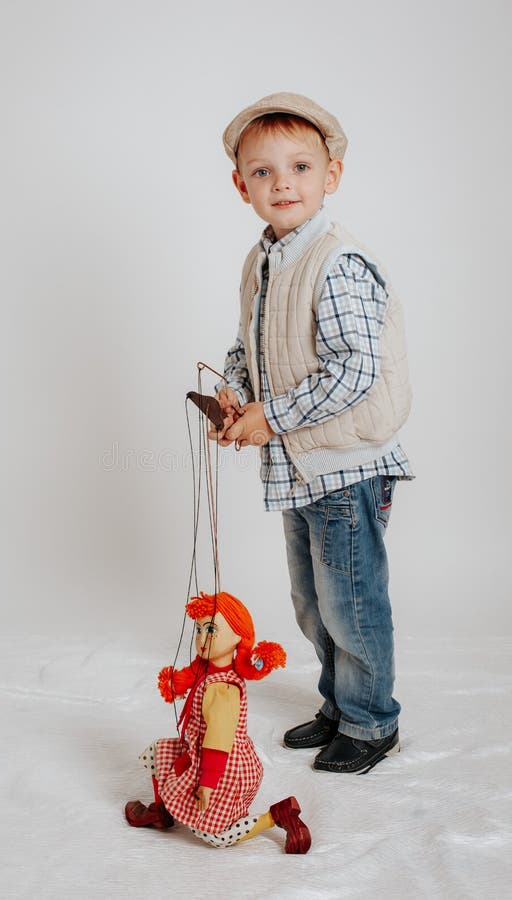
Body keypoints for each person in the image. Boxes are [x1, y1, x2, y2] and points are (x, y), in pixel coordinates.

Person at [212, 92, 414, 775]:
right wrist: (238, 392)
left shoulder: (337, 262)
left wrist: (272, 416)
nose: (283, 183)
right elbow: (252, 345)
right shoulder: (263, 261)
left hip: (347, 462)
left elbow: (355, 369)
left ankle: (371, 721)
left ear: (331, 176)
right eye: (263, 172)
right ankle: (340, 703)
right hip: (302, 464)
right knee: (313, 599)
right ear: (242, 187)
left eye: (300, 166)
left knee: (352, 602)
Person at [125, 591, 311, 853]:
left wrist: (208, 783)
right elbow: (189, 681)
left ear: (238, 635)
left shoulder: (222, 689)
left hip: (222, 766)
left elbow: (218, 739)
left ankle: (277, 815)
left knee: (216, 836)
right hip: (200, 751)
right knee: (160, 751)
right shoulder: (205, 670)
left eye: (211, 629)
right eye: (198, 629)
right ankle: (161, 812)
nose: (201, 638)